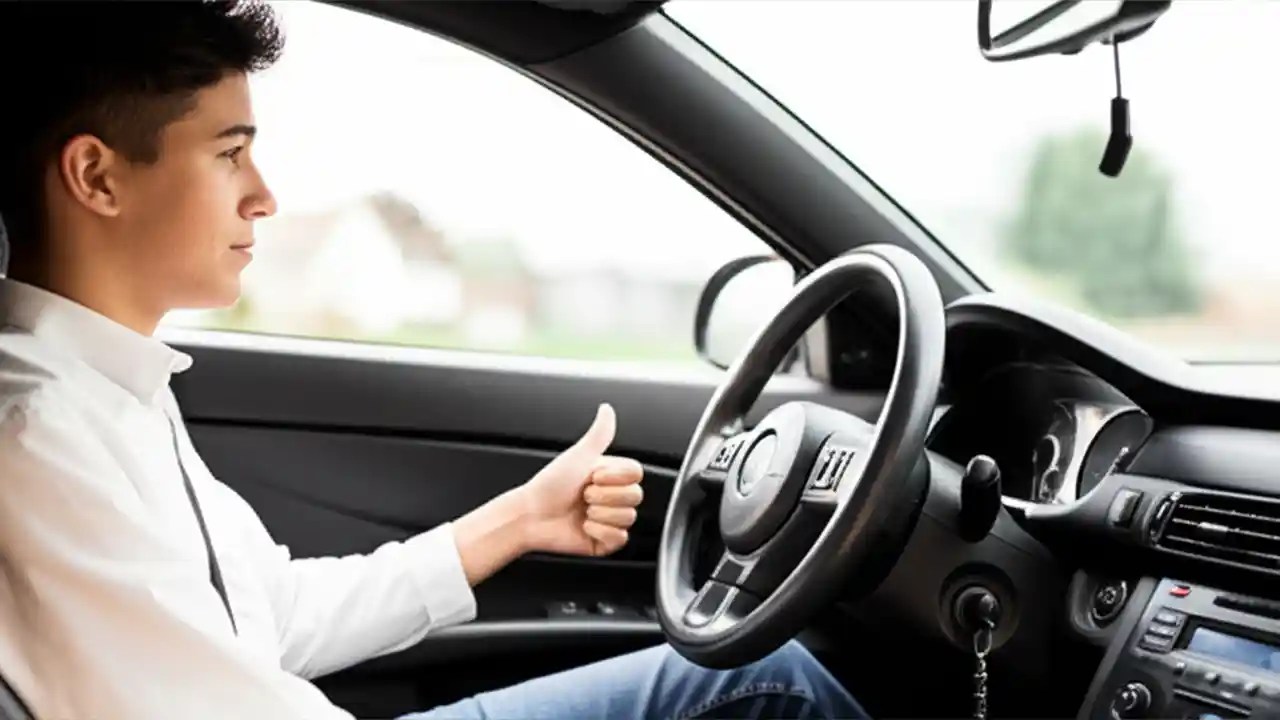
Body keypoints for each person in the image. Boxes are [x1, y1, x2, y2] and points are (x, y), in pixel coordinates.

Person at [0, 2, 868, 719]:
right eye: (230, 153)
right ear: (97, 178)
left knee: (752, 677)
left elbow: (276, 617)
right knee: (768, 687)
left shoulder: (112, 390)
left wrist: (520, 520)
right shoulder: (38, 439)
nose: (264, 196)